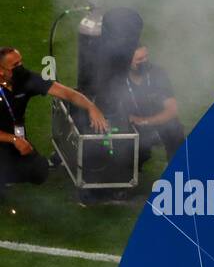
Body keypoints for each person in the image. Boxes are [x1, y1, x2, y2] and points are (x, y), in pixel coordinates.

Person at [0, 46, 108, 188]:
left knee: (40, 171)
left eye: (21, 62)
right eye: (15, 65)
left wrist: (91, 107)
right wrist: (13, 139)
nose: (20, 67)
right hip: (6, 139)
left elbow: (67, 93)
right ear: (1, 71)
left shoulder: (25, 79)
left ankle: (9, 171)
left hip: (17, 138)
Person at [111, 45, 184, 164]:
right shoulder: (118, 79)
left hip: (157, 120)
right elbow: (112, 110)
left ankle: (176, 168)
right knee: (133, 155)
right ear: (127, 62)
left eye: (146, 57)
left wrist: (145, 121)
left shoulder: (157, 73)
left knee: (175, 129)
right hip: (132, 125)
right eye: (139, 60)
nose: (144, 62)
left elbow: (172, 109)